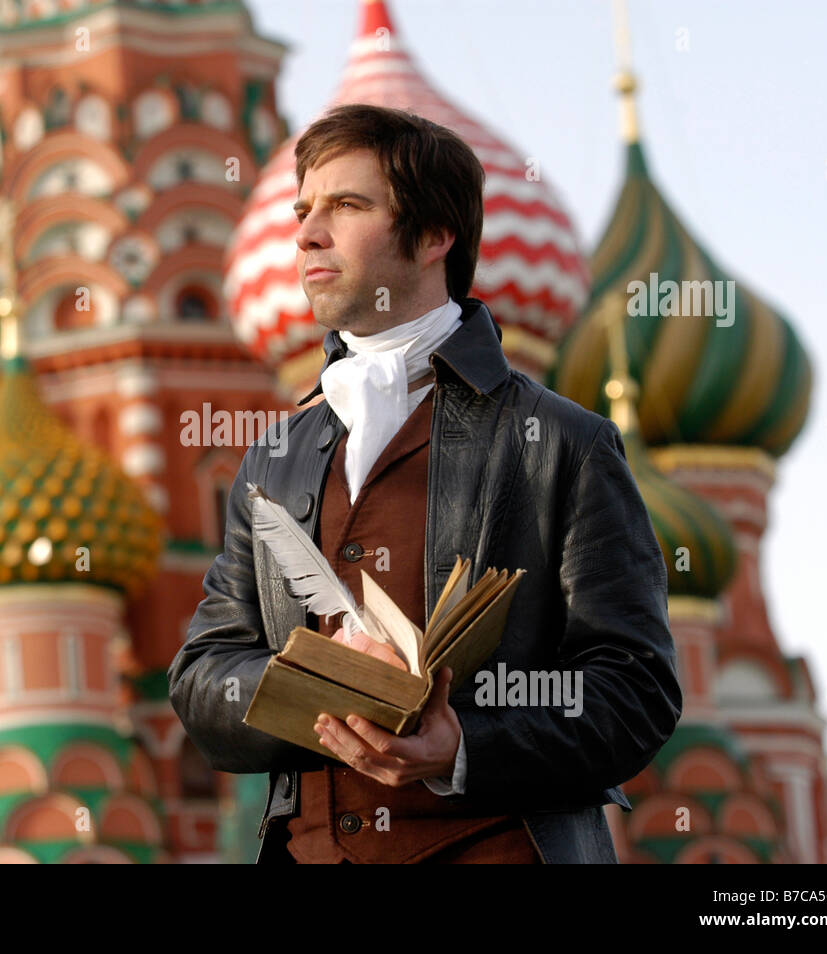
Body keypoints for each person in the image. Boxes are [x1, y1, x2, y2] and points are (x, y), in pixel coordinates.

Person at [168, 103, 681, 863]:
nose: (308, 232)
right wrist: (329, 683)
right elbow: (203, 679)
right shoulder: (271, 458)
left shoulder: (565, 442)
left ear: (436, 235)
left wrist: (462, 743)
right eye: (302, 209)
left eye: (347, 205)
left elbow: (635, 692)